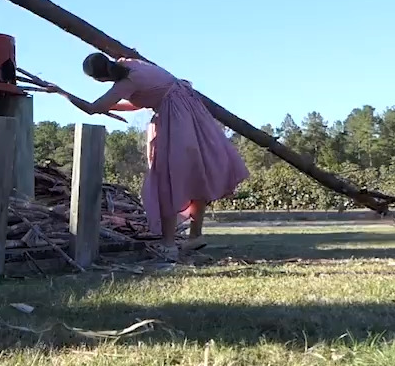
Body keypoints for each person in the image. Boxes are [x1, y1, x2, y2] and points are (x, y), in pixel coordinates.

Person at [47, 53, 250, 259]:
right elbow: (139, 101)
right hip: (192, 112)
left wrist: (62, 93)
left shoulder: (126, 82)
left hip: (174, 119)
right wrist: (109, 106)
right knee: (194, 173)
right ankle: (195, 235)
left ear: (99, 79)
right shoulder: (131, 65)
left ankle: (169, 245)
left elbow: (93, 108)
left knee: (167, 179)